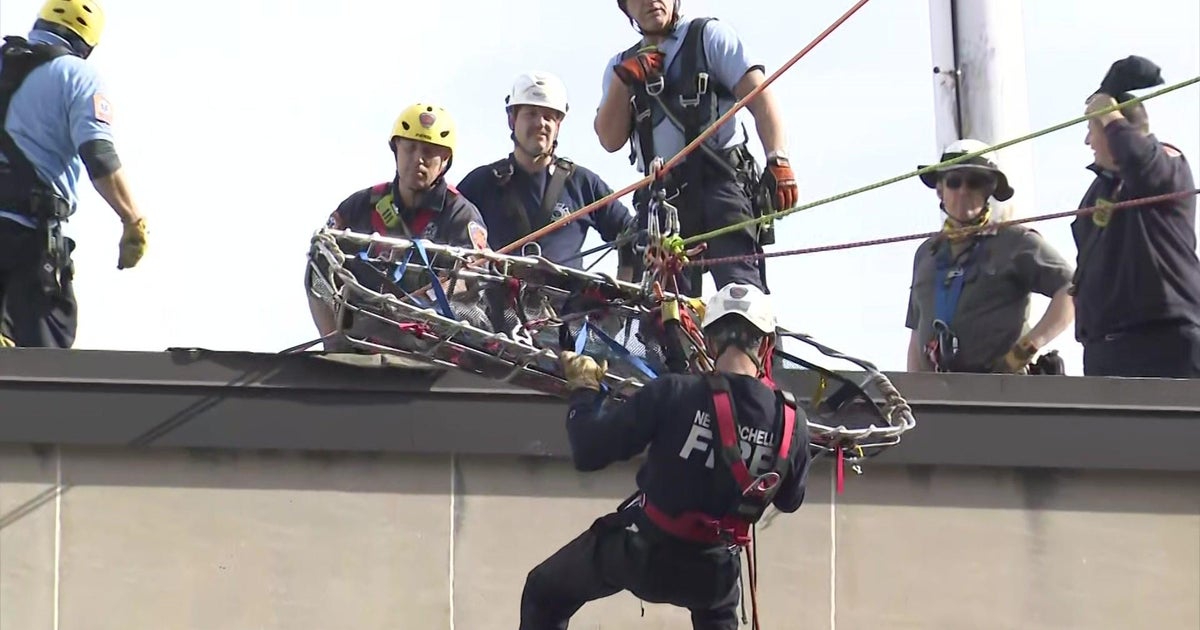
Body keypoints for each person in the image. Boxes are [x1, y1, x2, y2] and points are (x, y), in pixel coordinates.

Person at [519, 282, 811, 630]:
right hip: (712, 576)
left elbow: (588, 451)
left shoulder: (674, 393)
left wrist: (584, 392)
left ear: (710, 340)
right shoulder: (792, 421)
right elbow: (791, 499)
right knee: (719, 609)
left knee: (544, 592)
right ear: (766, 344)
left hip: (642, 556)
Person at [593, 0, 798, 298]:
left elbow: (762, 102)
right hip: (663, 203)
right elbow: (609, 140)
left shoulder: (708, 37)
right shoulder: (621, 66)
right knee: (664, 315)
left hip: (721, 185)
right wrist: (624, 82)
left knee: (740, 302)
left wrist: (778, 159)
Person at [0, 0, 147, 349]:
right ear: (88, 45)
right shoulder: (77, 75)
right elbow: (98, 154)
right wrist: (132, 220)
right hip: (25, 242)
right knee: (43, 364)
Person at [305, 102, 489, 345]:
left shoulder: (460, 213)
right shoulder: (361, 205)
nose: (418, 160)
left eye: (428, 152)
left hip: (431, 331)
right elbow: (323, 262)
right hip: (362, 322)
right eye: (410, 149)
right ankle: (334, 346)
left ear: (445, 160)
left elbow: (473, 277)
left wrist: (424, 305)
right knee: (318, 259)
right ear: (396, 149)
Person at [1071, 56, 1200, 378]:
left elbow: (1142, 165)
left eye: (1092, 129)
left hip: (1165, 343)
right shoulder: (1099, 190)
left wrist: (1110, 115)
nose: (1087, 141)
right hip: (1104, 349)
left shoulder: (1168, 165)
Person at [905, 139, 1075, 374]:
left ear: (989, 189)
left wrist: (1026, 349)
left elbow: (1071, 288)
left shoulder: (1016, 241)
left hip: (1001, 393)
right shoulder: (927, 254)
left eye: (975, 182)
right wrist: (915, 397)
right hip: (941, 394)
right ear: (940, 190)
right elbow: (916, 333)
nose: (964, 190)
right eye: (954, 181)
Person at [456, 71, 637, 280]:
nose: (541, 123)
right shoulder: (482, 183)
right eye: (531, 113)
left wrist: (621, 293)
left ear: (558, 125)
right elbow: (445, 226)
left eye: (549, 116)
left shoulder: (582, 183)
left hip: (567, 309)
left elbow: (631, 234)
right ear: (512, 120)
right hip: (497, 307)